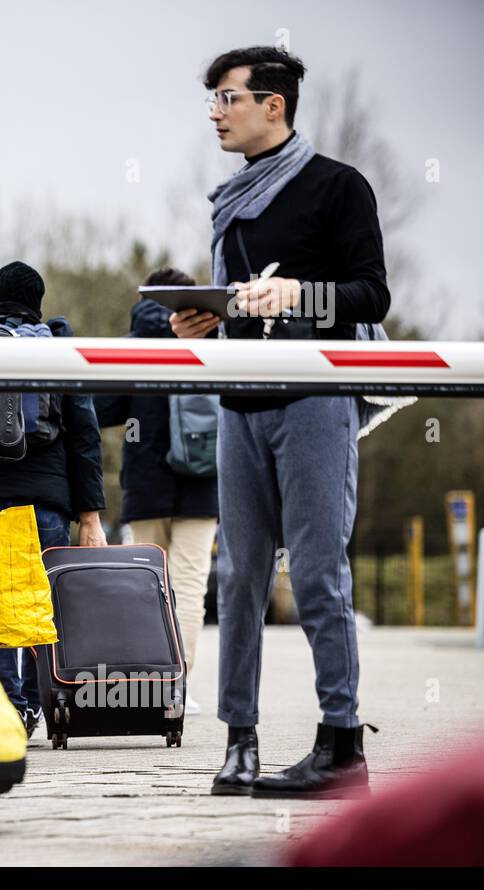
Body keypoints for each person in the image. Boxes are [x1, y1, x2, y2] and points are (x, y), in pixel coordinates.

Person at [171, 47, 389, 798]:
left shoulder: (338, 187)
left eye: (227, 100)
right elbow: (243, 309)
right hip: (241, 403)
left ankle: (342, 745)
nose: (215, 115)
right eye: (213, 102)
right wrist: (206, 324)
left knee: (322, 576)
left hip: (315, 404)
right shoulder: (229, 205)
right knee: (237, 581)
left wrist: (298, 295)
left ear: (274, 105)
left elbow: (370, 297)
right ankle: (239, 742)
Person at [0, 262, 106, 737]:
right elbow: (85, 438)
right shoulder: (58, 350)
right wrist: (89, 516)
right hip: (48, 500)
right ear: (37, 303)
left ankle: (6, 708)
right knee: (40, 610)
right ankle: (34, 703)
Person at [96, 267, 218, 715]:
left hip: (146, 484)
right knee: (188, 585)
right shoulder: (211, 339)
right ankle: (179, 687)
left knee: (146, 585)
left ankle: (147, 684)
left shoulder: (135, 346)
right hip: (204, 481)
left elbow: (100, 408)